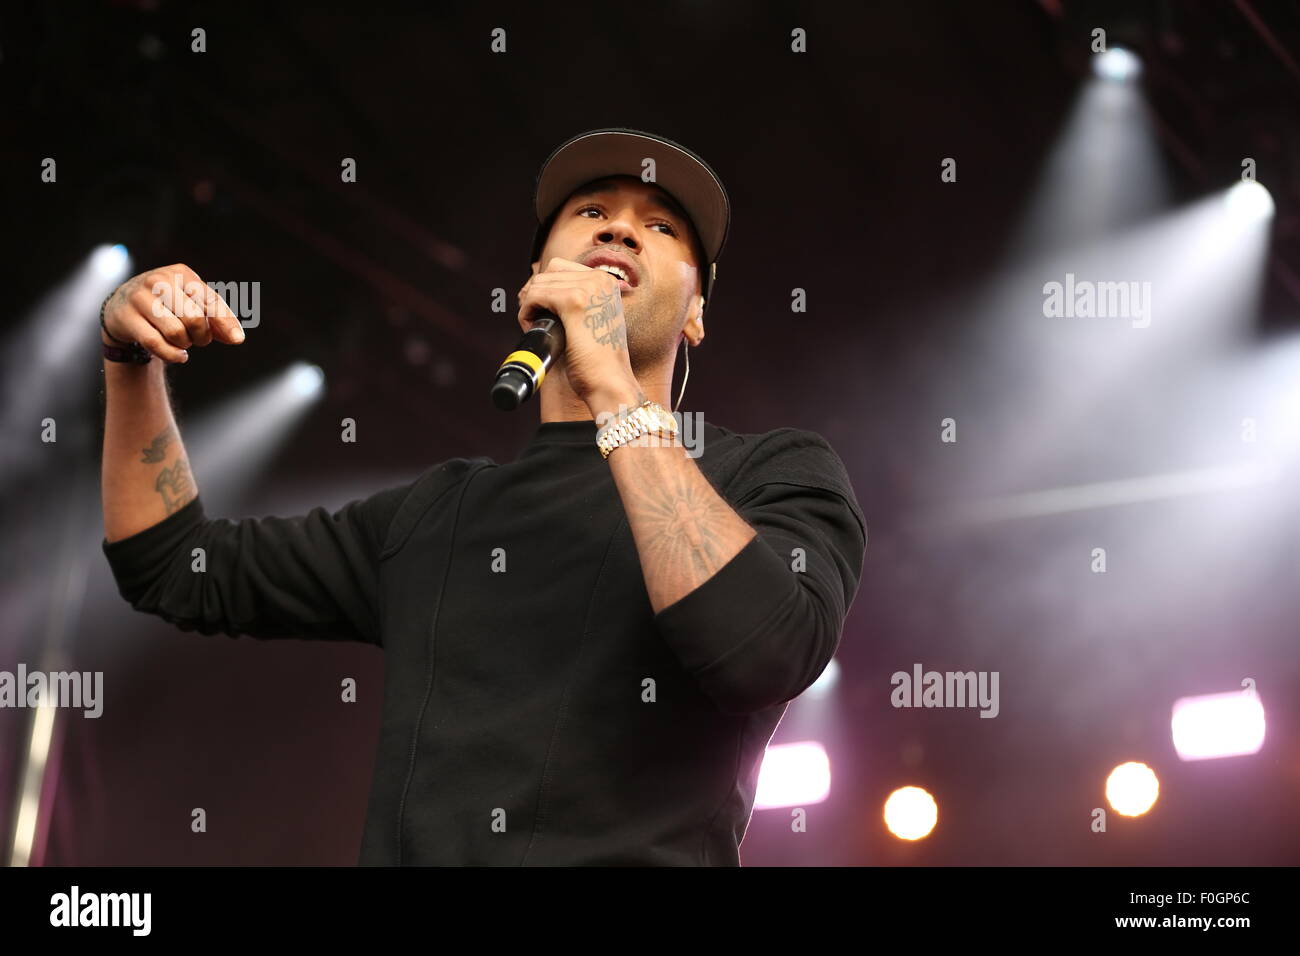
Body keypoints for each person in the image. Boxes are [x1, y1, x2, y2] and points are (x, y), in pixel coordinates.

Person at [100, 128, 867, 865]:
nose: (622, 233)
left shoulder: (770, 471)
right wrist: (130, 361)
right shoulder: (436, 515)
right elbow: (171, 564)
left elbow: (762, 652)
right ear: (534, 285)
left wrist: (612, 383)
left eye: (661, 227)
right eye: (592, 213)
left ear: (697, 314)